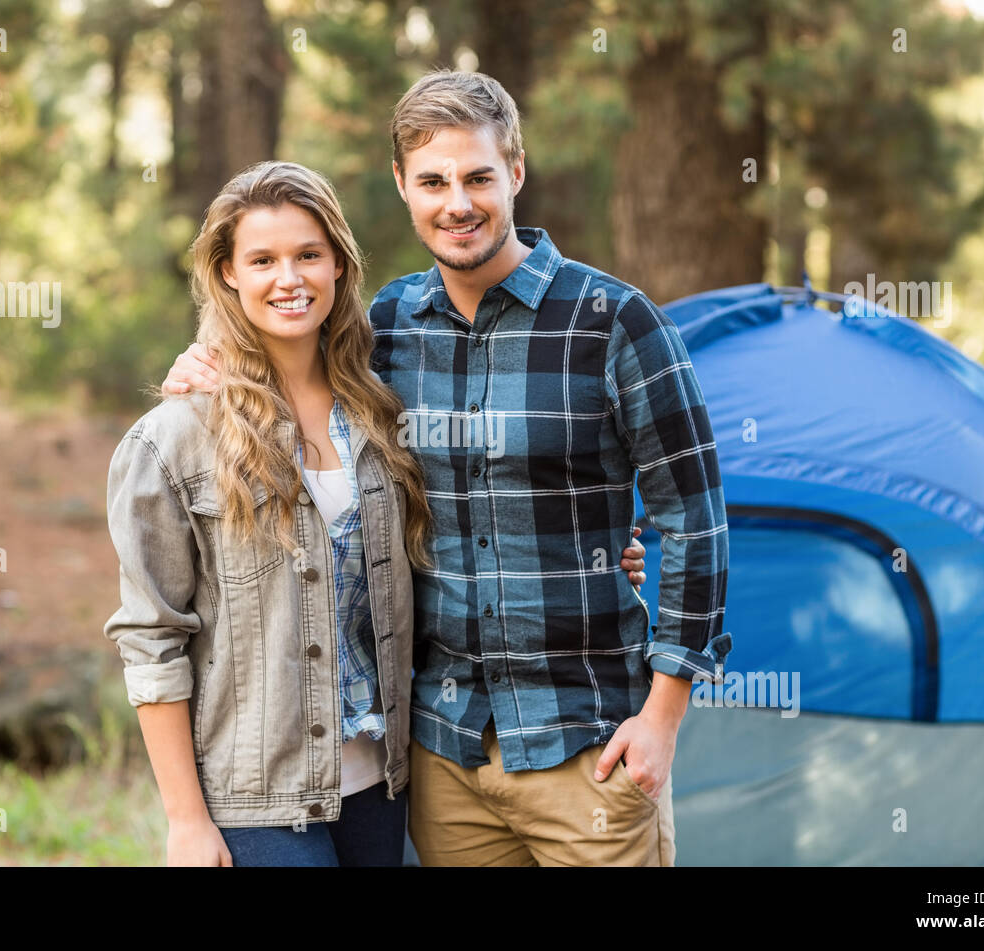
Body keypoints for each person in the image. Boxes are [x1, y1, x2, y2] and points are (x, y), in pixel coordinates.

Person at [161, 70, 718, 867]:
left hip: (587, 746)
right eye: (433, 181)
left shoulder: (614, 322)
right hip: (442, 755)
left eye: (478, 177)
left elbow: (694, 520)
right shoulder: (382, 329)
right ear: (403, 187)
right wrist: (205, 365)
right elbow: (283, 354)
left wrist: (663, 717)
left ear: (515, 172)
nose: (458, 202)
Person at [104, 160, 437, 867]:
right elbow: (152, 639)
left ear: (339, 266)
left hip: (381, 784)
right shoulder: (176, 437)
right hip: (256, 801)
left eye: (308, 255)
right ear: (228, 272)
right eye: (263, 259)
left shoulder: (380, 412)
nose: (290, 279)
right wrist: (186, 822)